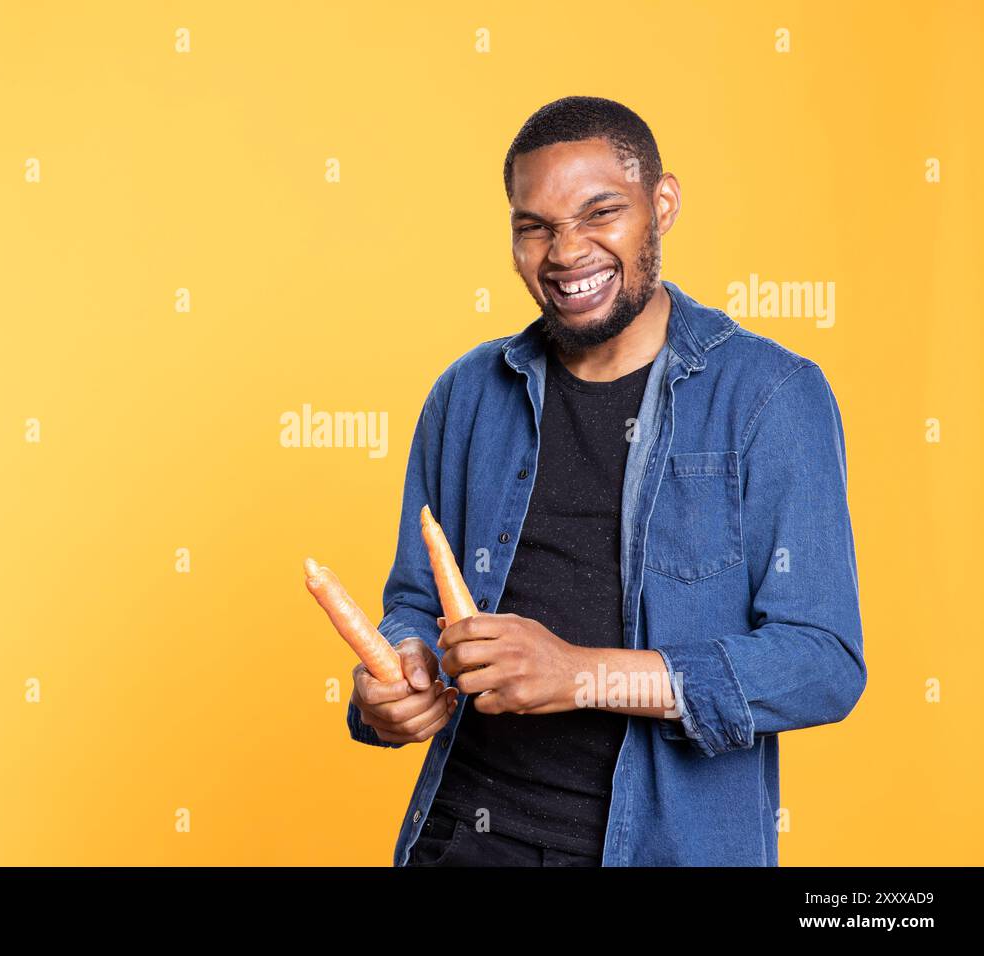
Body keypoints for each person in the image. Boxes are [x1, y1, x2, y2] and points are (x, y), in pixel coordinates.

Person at [346, 96, 865, 867]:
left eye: (599, 213)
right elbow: (417, 606)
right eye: (535, 227)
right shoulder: (466, 394)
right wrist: (397, 679)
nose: (566, 252)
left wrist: (582, 674)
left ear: (663, 204)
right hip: (464, 840)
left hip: (666, 849)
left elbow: (823, 663)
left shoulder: (769, 396)